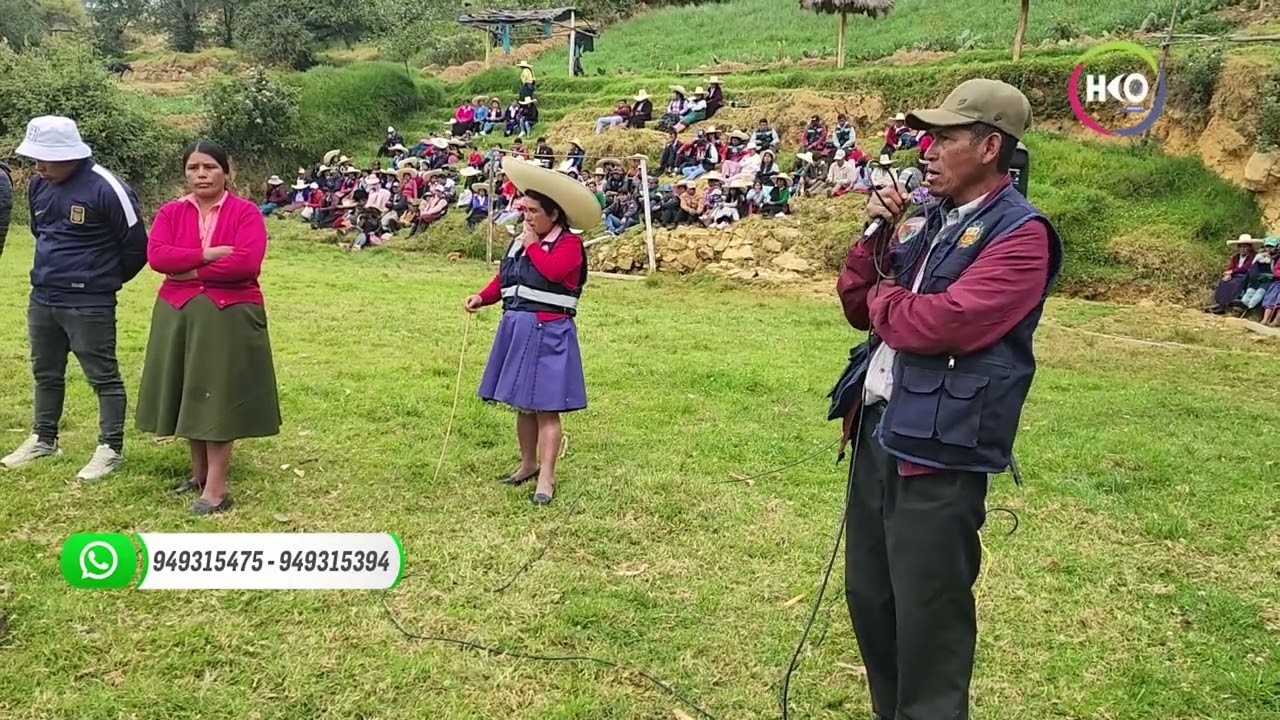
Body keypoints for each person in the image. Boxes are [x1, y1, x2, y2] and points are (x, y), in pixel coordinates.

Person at [833, 79, 1062, 720]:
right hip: (881, 432)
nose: (926, 151)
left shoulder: (1021, 236)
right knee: (872, 598)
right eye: (927, 137)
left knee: (929, 615)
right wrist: (877, 231)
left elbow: (936, 324)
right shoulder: (930, 221)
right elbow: (860, 305)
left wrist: (888, 302)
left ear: (990, 147)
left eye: (945, 138)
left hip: (939, 451)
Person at [134, 140, 281, 515]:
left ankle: (216, 489)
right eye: (193, 168)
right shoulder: (171, 212)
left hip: (228, 314)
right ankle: (198, 473)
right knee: (190, 389)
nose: (201, 174)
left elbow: (245, 264)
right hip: (177, 313)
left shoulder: (246, 213)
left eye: (210, 167)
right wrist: (208, 254)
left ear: (226, 172)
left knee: (217, 395)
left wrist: (188, 270)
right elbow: (157, 256)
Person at [1, 116, 147, 480]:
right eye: (34, 159)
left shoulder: (107, 187)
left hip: (90, 301)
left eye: (44, 160)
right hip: (43, 295)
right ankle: (43, 438)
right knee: (45, 371)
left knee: (103, 376)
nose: (38, 167)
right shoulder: (38, 185)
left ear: (69, 154)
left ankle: (110, 448)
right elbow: (43, 233)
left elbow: (136, 247)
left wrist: (100, 282)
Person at [464, 157, 601, 506]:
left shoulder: (568, 245)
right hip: (517, 328)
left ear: (554, 215)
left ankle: (547, 477)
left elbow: (554, 272)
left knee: (546, 408)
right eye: (524, 209)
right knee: (523, 405)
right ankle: (526, 464)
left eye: (534, 211)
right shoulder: (522, 240)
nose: (527, 216)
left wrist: (532, 245)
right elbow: (507, 278)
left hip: (549, 332)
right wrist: (483, 297)